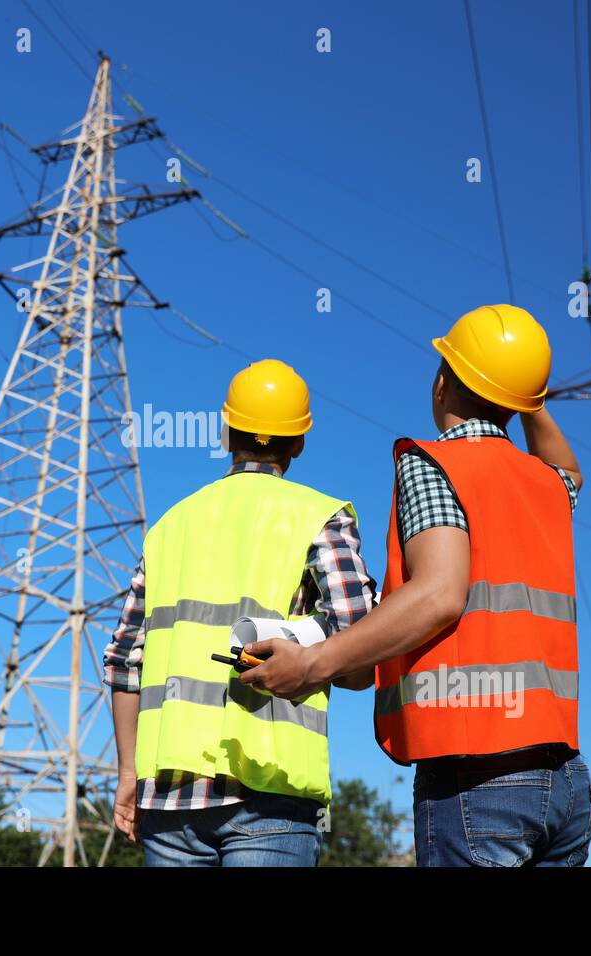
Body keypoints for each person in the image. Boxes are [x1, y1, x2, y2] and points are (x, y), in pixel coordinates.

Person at [242, 305, 591, 867]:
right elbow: (570, 469)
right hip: (566, 786)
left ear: (442, 383)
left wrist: (313, 664)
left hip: (477, 778)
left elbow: (439, 594)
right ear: (519, 402)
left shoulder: (431, 463)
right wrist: (527, 394)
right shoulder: (549, 485)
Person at [104, 359, 377, 866]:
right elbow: (362, 653)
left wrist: (127, 775)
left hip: (169, 797)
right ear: (299, 442)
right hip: (271, 789)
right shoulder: (319, 517)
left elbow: (124, 661)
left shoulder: (169, 527)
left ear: (226, 429)